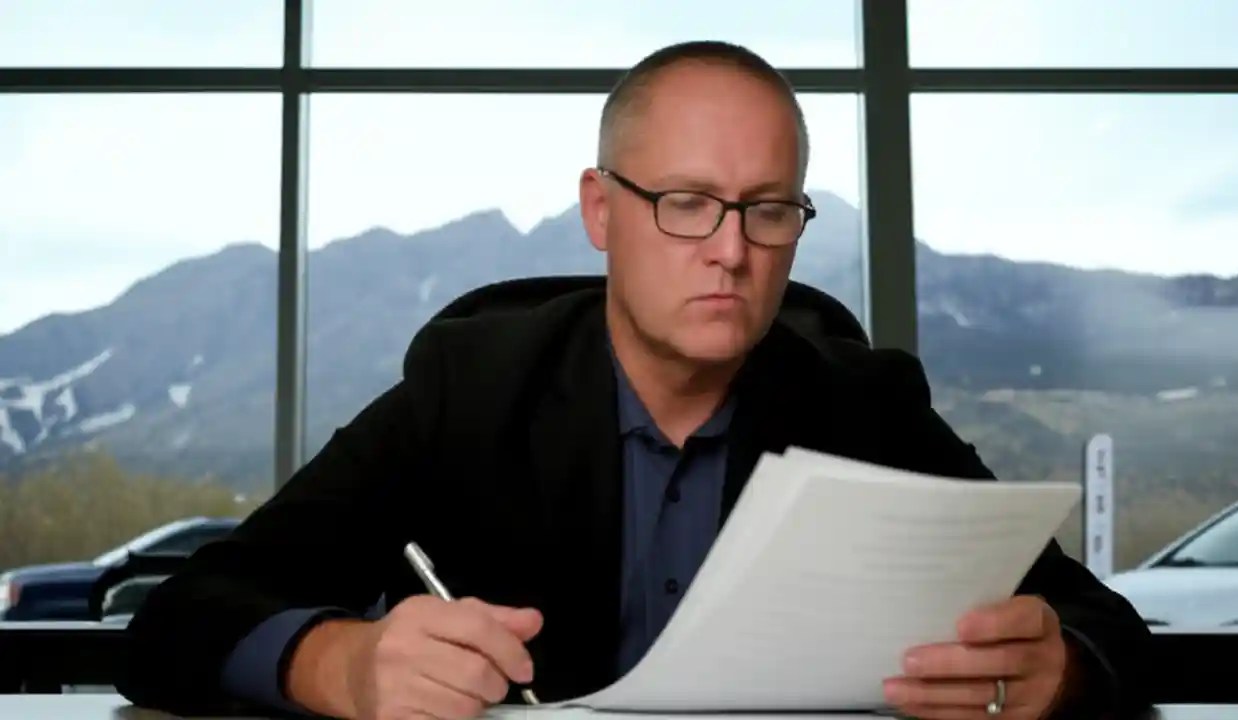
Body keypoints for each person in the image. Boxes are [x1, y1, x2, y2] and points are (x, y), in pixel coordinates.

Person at [118, 41, 1152, 720]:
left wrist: (1062, 673)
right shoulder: (469, 386)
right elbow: (179, 617)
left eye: (767, 208)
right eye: (686, 203)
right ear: (601, 212)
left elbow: (1106, 629)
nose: (730, 251)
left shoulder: (863, 402)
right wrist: (337, 664)